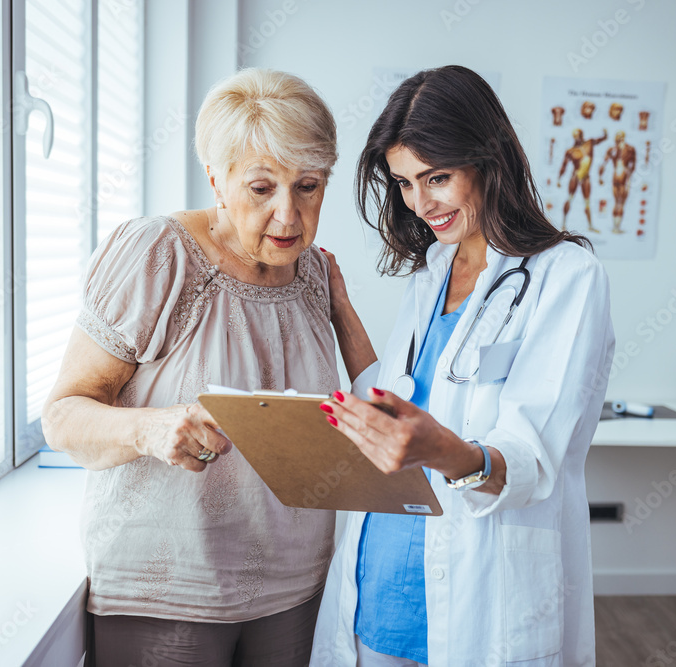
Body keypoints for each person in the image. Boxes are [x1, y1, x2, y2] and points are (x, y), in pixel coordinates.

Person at [312, 66, 615, 667]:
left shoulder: (567, 278)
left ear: (489, 160)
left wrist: (442, 450)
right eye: (403, 183)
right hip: (379, 588)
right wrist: (339, 308)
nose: (420, 204)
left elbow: (532, 461)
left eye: (438, 178)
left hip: (482, 601)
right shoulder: (431, 276)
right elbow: (395, 399)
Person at [42, 68, 340, 667]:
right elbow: (63, 416)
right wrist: (149, 429)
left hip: (295, 584)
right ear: (217, 178)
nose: (289, 214)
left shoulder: (314, 273)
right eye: (262, 188)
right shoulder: (159, 254)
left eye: (308, 185)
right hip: (169, 589)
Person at [557, 127, 609, 232]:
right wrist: (559, 178)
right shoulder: (571, 151)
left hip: (586, 177)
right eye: (576, 136)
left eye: (579, 136)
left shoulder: (589, 143)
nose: (578, 138)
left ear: (582, 135)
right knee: (570, 198)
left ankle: (590, 225)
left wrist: (605, 135)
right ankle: (563, 224)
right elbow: (564, 165)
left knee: (587, 202)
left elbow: (599, 140)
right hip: (575, 176)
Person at [599, 130, 637, 234]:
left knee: (619, 203)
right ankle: (616, 227)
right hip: (621, 176)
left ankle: (616, 226)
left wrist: (600, 176)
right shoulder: (616, 150)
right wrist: (600, 176)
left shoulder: (628, 149)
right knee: (619, 203)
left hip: (619, 175)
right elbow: (603, 164)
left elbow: (603, 164)